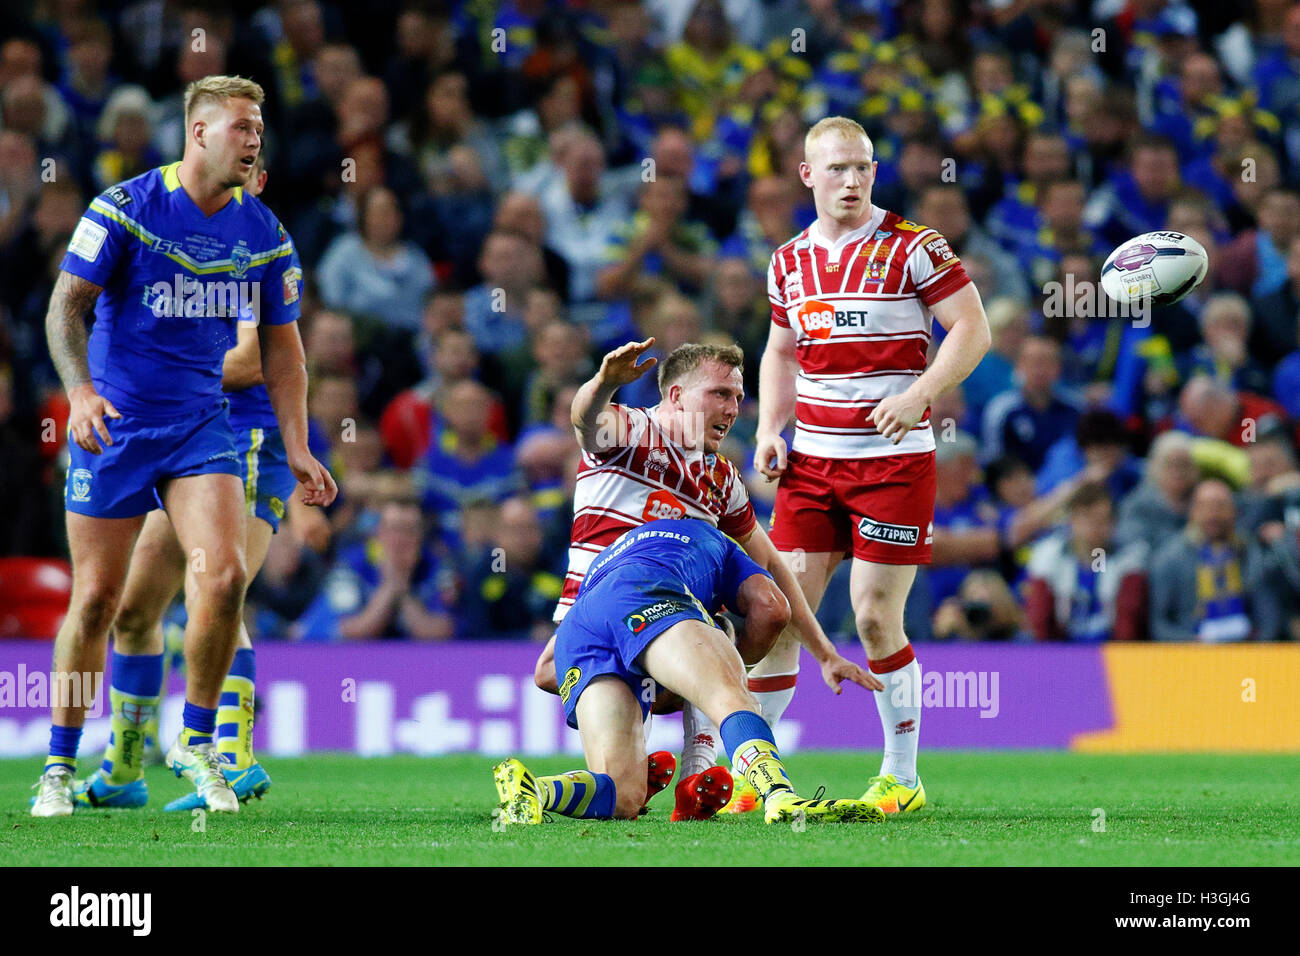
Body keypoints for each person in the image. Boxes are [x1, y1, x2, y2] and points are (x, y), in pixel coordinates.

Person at [31, 75, 336, 818]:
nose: (254, 138)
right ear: (198, 132)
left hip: (203, 427)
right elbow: (65, 309)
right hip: (118, 425)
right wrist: (79, 394)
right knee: (101, 599)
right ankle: (61, 767)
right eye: (240, 126)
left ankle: (197, 742)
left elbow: (285, 353)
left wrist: (296, 444)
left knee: (225, 578)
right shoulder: (126, 209)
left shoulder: (262, 231)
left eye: (259, 127)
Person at [751, 115, 991, 816]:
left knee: (875, 618)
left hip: (891, 466)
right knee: (778, 613)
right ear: (808, 175)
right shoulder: (788, 261)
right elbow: (781, 351)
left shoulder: (916, 246)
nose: (851, 180)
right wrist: (770, 427)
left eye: (862, 167)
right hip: (810, 467)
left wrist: (920, 395)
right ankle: (757, 776)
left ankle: (902, 777)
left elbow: (973, 328)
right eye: (836, 169)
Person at [533, 338, 879, 821]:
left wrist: (823, 651)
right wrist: (605, 383)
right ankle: (722, 762)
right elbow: (585, 420)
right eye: (719, 393)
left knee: (624, 788)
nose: (733, 408)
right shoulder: (635, 430)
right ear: (675, 396)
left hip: (656, 617)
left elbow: (772, 567)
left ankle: (685, 773)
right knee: (552, 672)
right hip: (607, 602)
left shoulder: (721, 478)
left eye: (738, 397)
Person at [493, 519, 885, 826]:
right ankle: (781, 796)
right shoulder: (721, 544)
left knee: (624, 795)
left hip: (582, 628)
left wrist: (651, 691)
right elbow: (772, 608)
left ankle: (535, 791)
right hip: (650, 596)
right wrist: (728, 668)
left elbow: (546, 672)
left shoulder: (612, 555)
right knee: (726, 694)